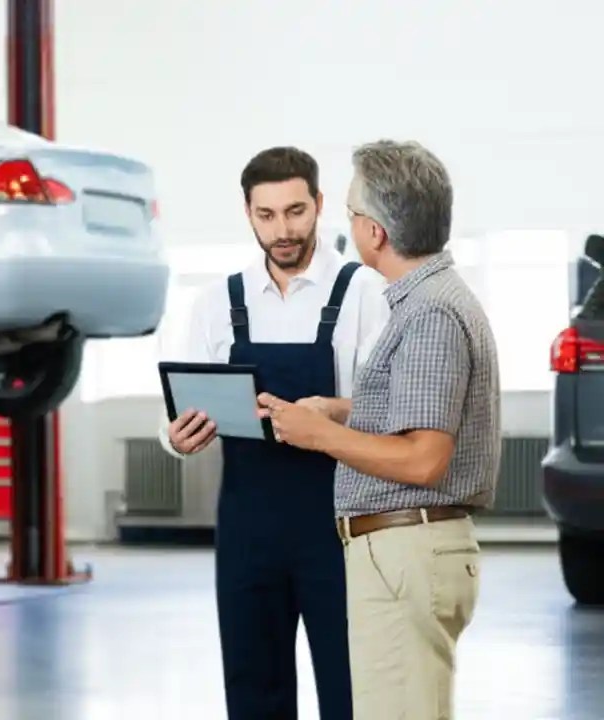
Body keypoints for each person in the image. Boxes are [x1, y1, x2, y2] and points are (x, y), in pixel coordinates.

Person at [259, 139, 500, 719]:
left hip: (405, 553)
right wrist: (342, 412)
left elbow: (423, 459)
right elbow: (423, 414)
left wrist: (317, 435)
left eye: (350, 213)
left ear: (375, 232)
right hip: (404, 553)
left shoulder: (429, 313)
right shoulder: (425, 301)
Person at [159, 146, 390, 719]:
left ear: (319, 204)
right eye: (266, 215)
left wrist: (330, 411)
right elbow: (181, 408)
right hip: (248, 527)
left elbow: (390, 411)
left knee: (352, 688)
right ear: (248, 213)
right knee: (252, 687)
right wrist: (176, 439)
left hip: (341, 525)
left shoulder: (365, 293)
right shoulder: (216, 303)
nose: (282, 230)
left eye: (295, 212)